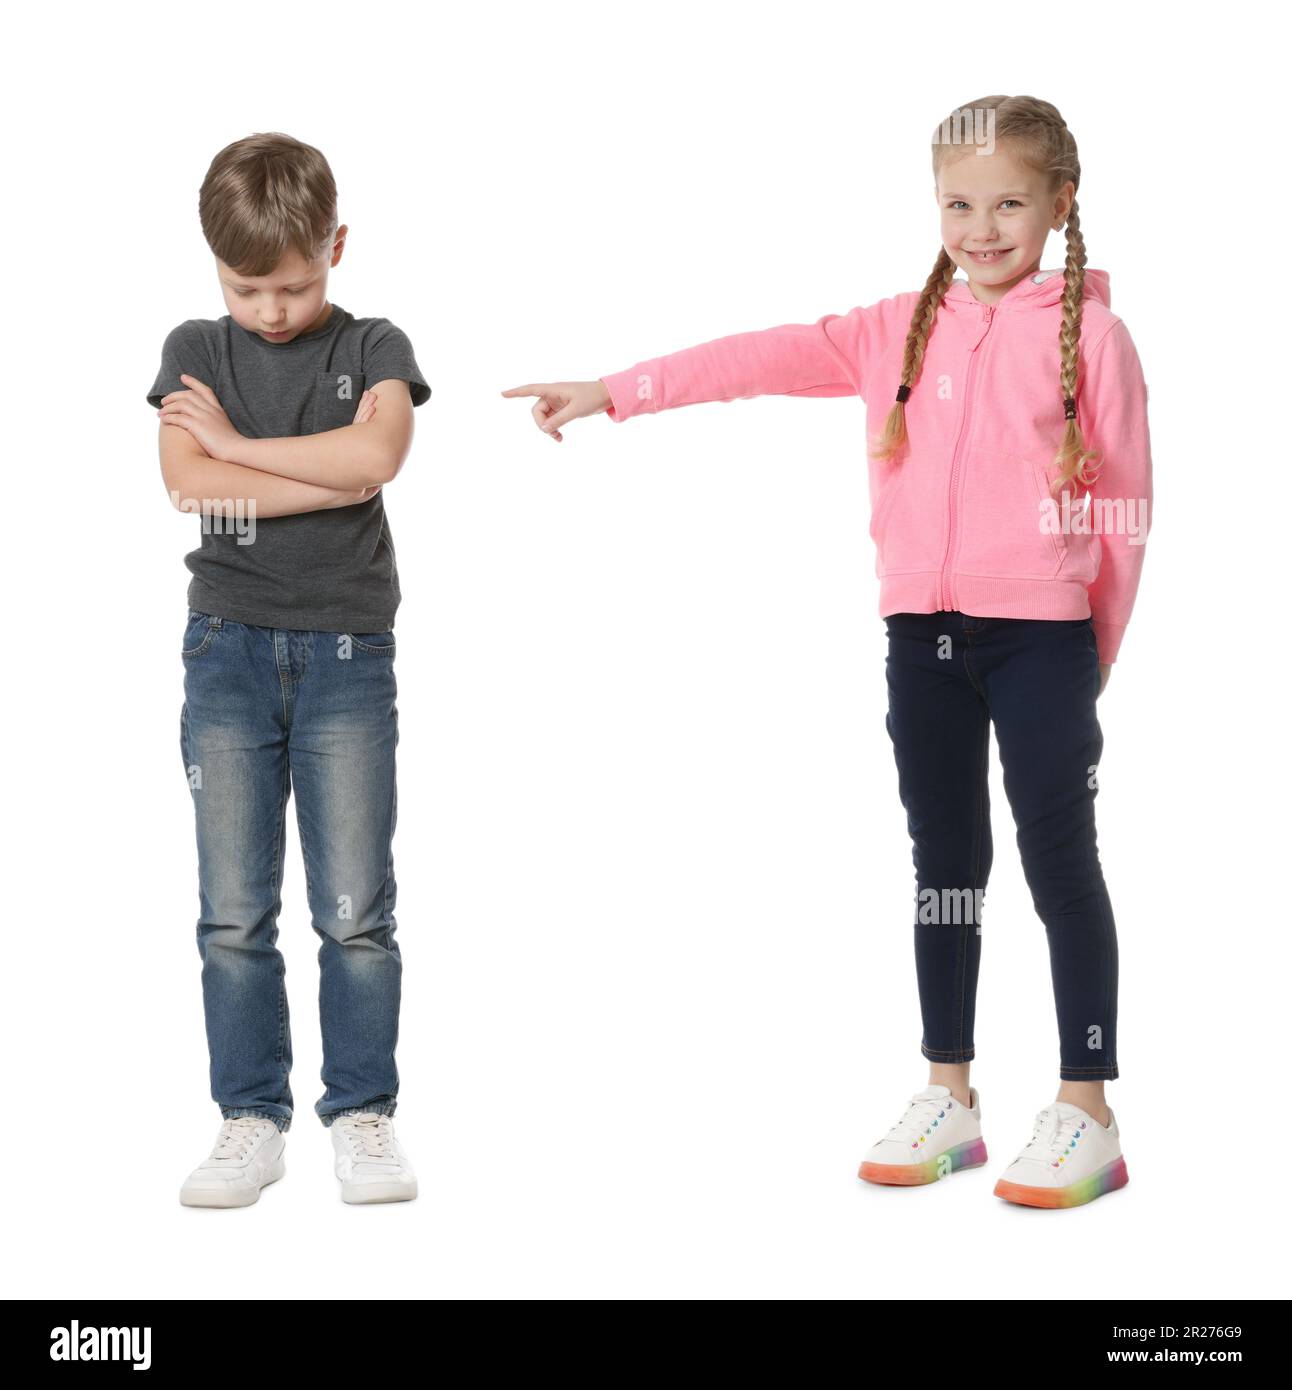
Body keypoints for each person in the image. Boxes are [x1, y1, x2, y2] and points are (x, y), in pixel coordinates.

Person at [502, 95, 1151, 1210]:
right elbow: (756, 357)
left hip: (1044, 639)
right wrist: (615, 392)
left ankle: (1084, 1102)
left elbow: (1127, 504)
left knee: (1057, 864)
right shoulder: (894, 327)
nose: (981, 226)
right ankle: (948, 1091)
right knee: (944, 867)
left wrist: (1094, 651)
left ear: (1059, 202)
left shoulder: (1088, 333)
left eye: (1007, 201)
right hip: (921, 635)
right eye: (957, 202)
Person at [148, 131, 431, 1206]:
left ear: (337, 247)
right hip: (225, 649)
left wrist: (243, 448)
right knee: (233, 909)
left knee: (356, 905)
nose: (271, 310)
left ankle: (361, 1113)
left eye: (295, 285)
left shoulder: (376, 343)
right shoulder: (192, 349)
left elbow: (377, 461)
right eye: (247, 288)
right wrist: (319, 470)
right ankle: (248, 1117)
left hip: (348, 657)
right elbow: (190, 491)